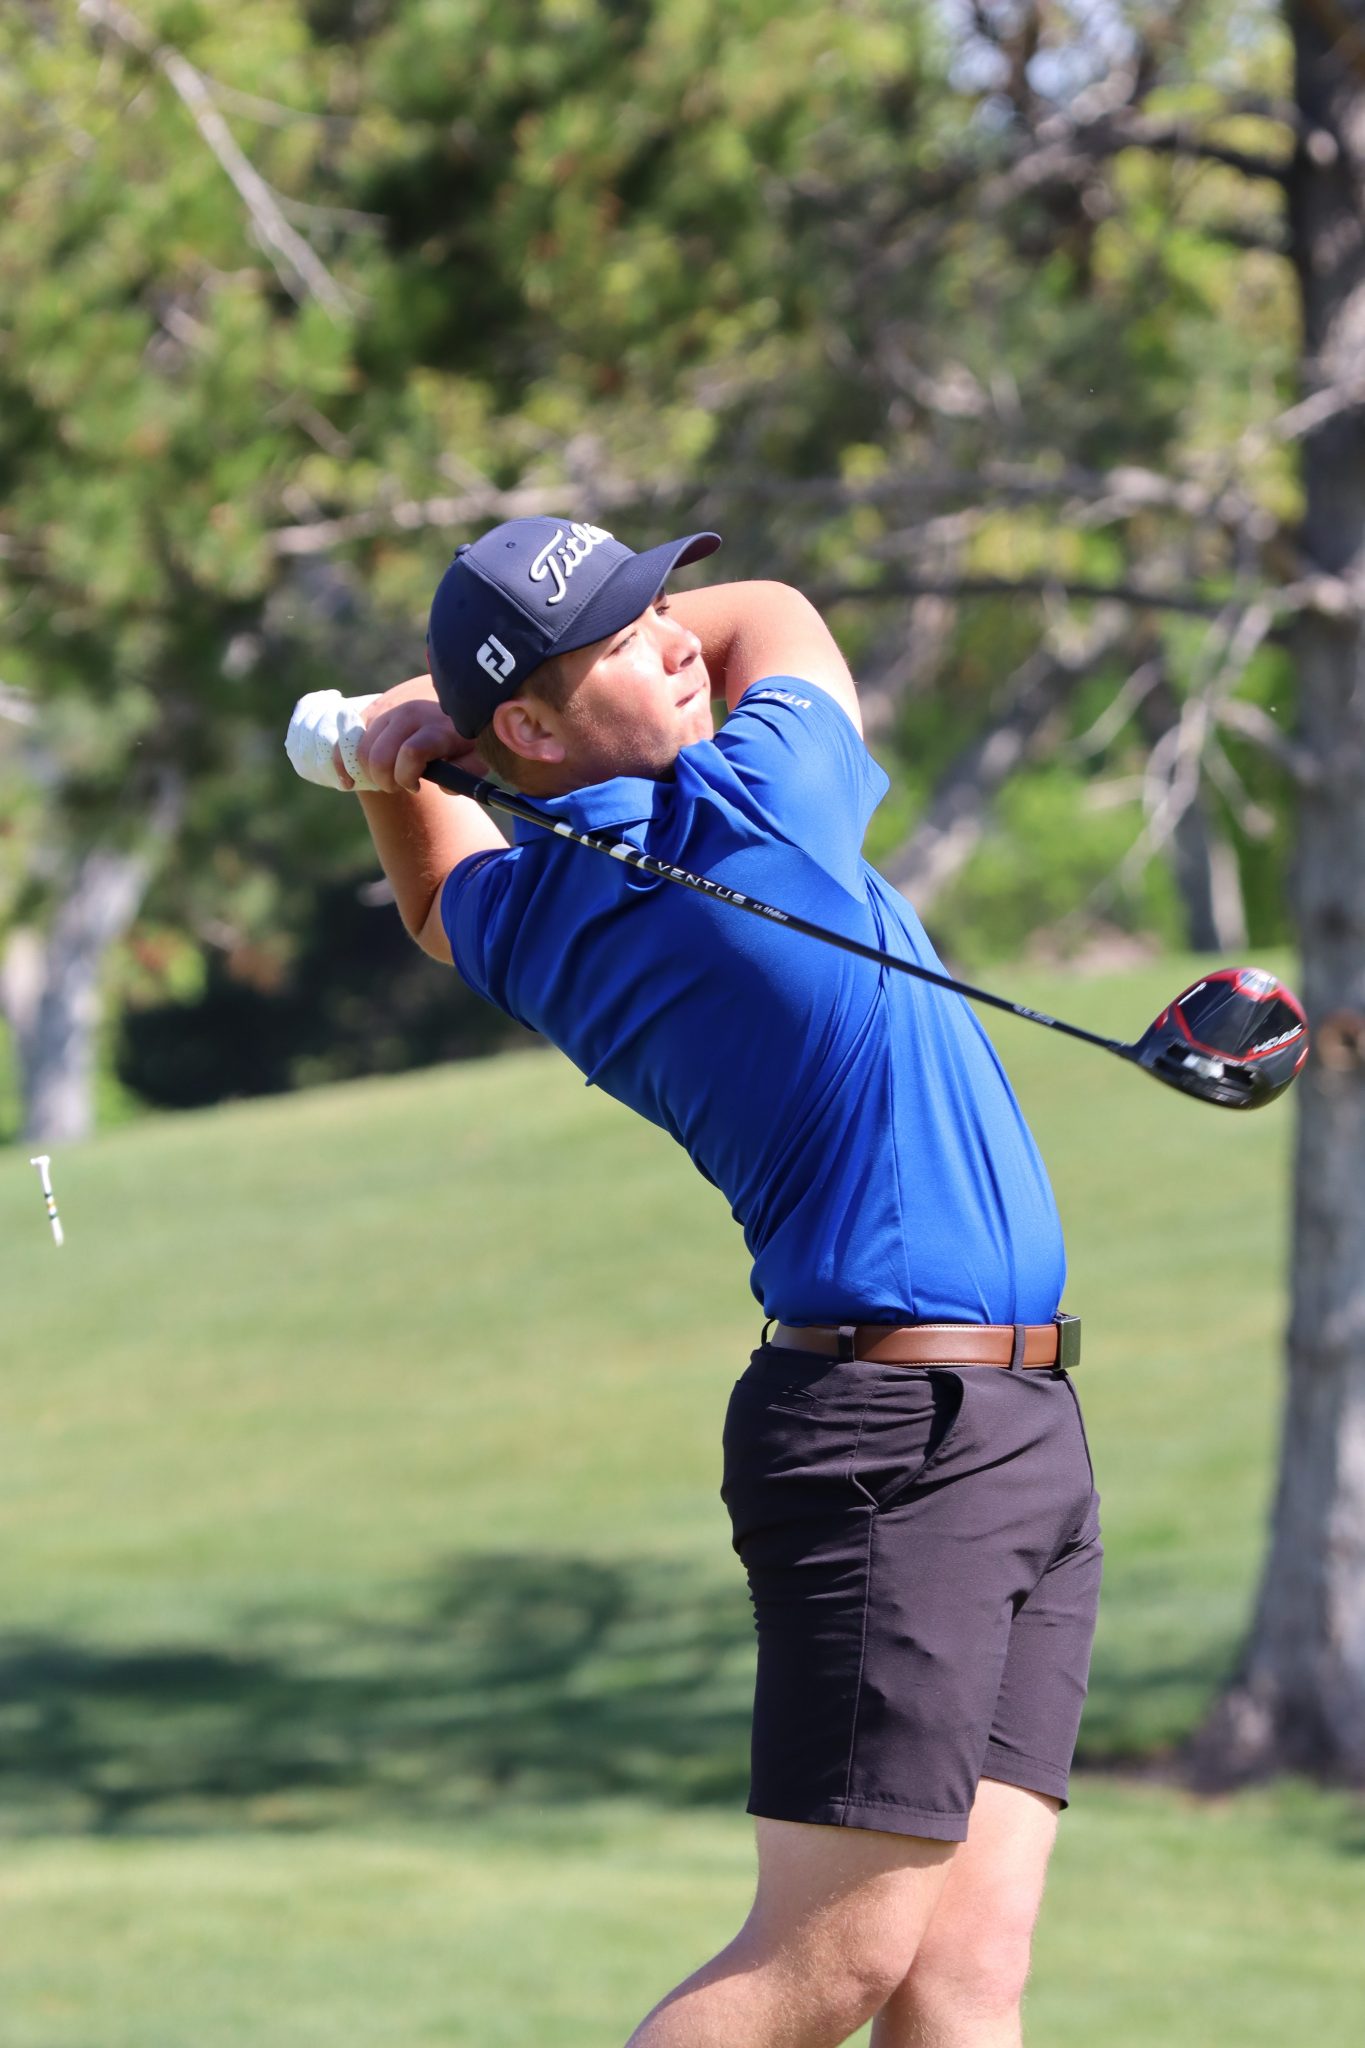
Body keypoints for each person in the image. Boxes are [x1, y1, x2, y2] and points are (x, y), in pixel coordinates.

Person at [286, 516, 1102, 2048]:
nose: (679, 640)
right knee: (827, 1964)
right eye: (628, 639)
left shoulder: (543, 921)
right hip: (899, 1440)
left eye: (663, 604)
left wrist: (402, 762)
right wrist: (430, 716)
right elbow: (776, 608)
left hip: (998, 1430)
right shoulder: (754, 809)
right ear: (526, 726)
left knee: (959, 1978)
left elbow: (430, 904)